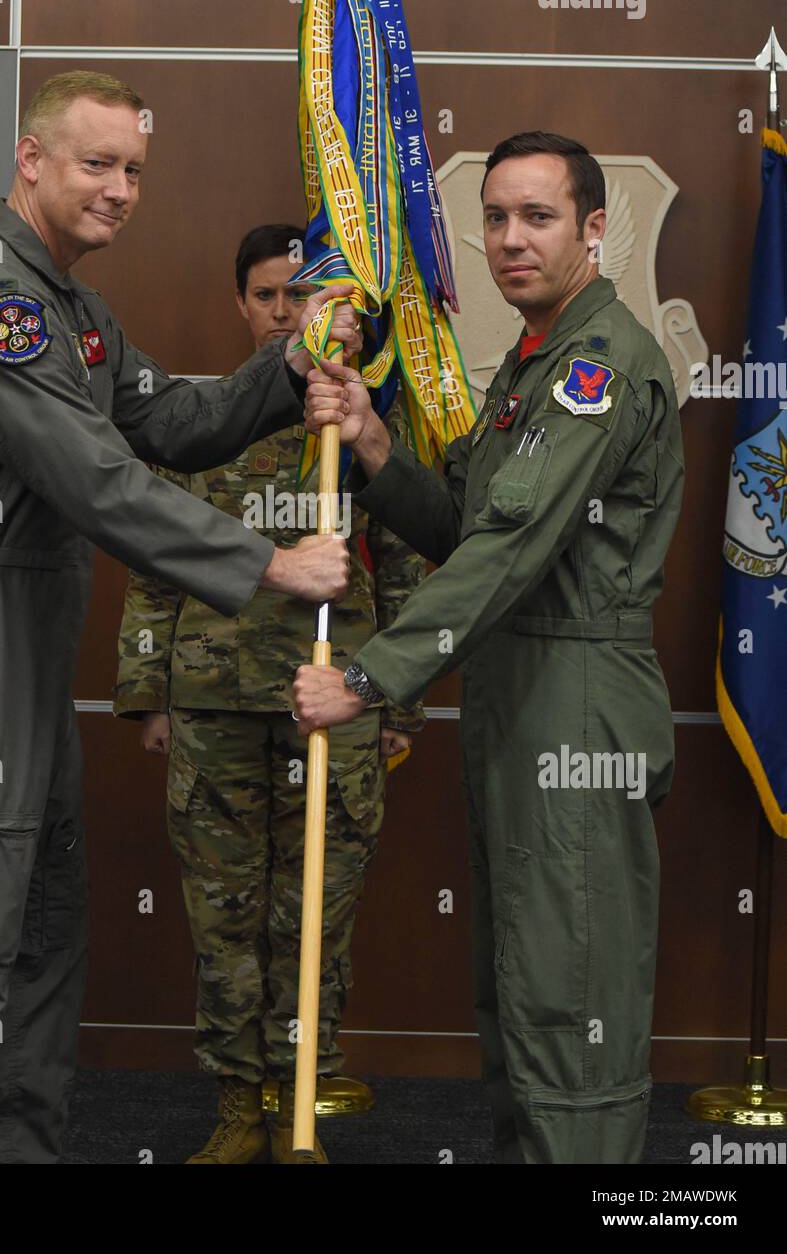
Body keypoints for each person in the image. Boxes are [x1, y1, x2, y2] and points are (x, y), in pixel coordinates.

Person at [0, 71, 363, 1164]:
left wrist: (292, 361)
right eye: (96, 164)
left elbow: (171, 420)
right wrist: (267, 561)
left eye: (134, 169)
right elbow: (89, 477)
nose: (121, 189)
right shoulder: (4, 302)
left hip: (27, 626)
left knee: (34, 918)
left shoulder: (74, 306)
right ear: (29, 160)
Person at [294, 131, 685, 1165]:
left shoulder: (594, 369)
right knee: (519, 979)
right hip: (520, 688)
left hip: (578, 696)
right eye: (498, 218)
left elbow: (508, 552)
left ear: (594, 231)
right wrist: (376, 448)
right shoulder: (530, 364)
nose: (510, 240)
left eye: (539, 218)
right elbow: (465, 521)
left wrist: (367, 677)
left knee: (570, 986)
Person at [114, 224, 426, 1164]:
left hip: (331, 706)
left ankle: (300, 1109)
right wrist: (150, 695)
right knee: (224, 919)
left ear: (337, 308)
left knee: (312, 921)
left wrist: (398, 703)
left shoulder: (364, 421)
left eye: (306, 295)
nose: (287, 313)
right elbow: (152, 566)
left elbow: (411, 567)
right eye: (268, 296)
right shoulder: (198, 421)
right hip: (213, 708)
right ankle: (236, 1108)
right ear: (241, 304)